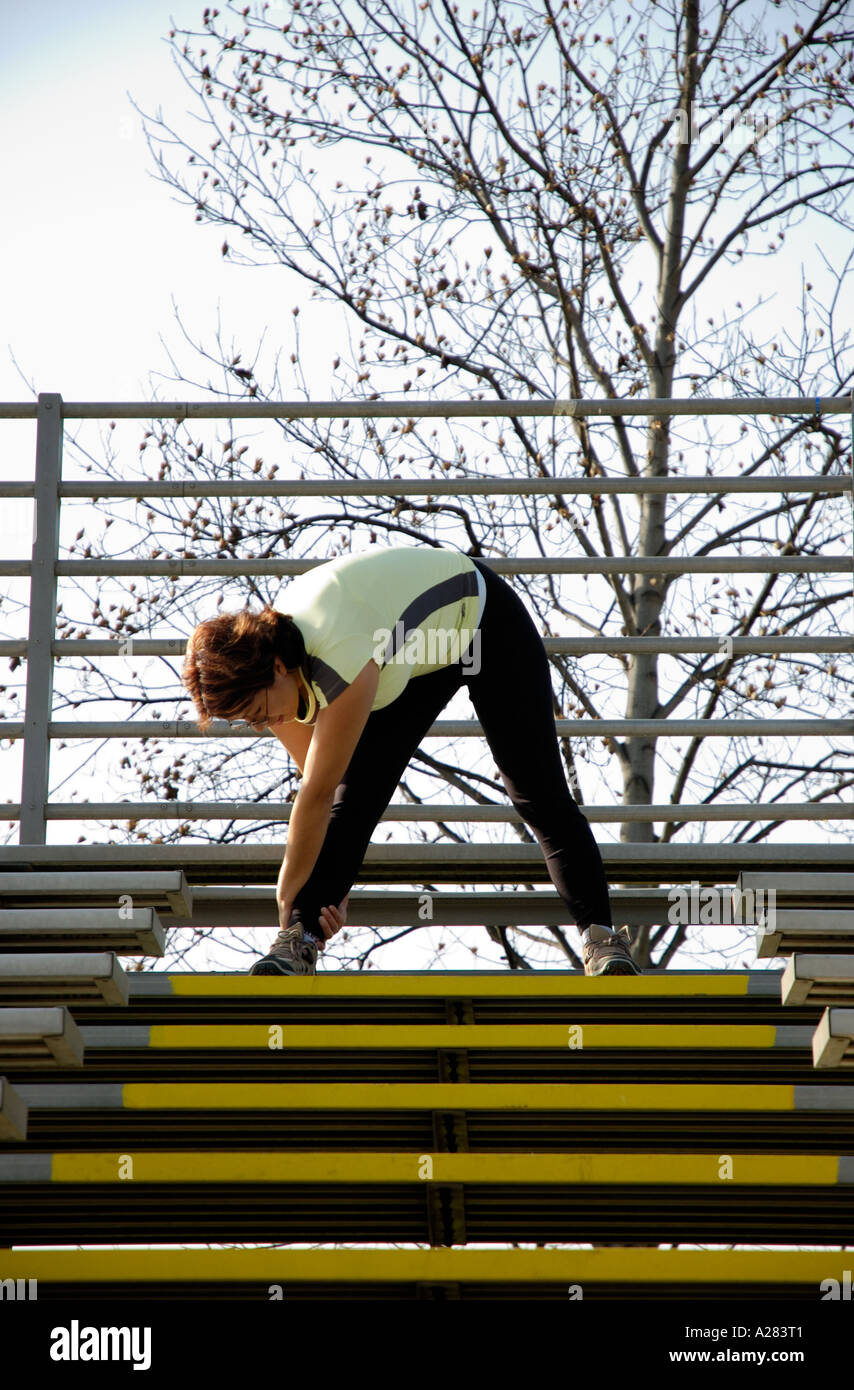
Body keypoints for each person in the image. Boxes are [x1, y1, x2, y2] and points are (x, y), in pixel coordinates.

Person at [182, 544, 640, 977]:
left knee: (537, 793)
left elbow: (316, 795)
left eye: (260, 713)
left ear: (277, 668)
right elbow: (327, 796)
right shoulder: (275, 672)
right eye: (251, 722)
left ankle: (602, 939)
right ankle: (300, 941)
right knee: (353, 800)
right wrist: (324, 897)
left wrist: (286, 898)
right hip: (410, 653)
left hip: (484, 623)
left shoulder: (339, 654)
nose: (266, 724)